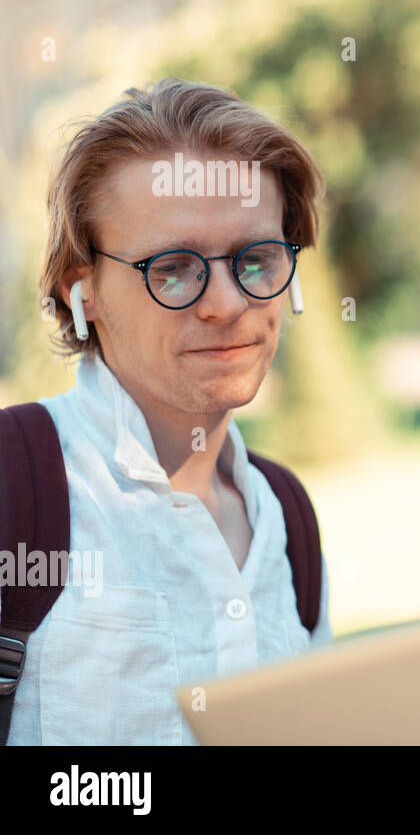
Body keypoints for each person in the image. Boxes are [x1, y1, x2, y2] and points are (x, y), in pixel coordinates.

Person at [2, 78, 331, 744]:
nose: (228, 304)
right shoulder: (15, 483)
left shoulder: (289, 517)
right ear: (83, 291)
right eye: (173, 268)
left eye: (256, 259)